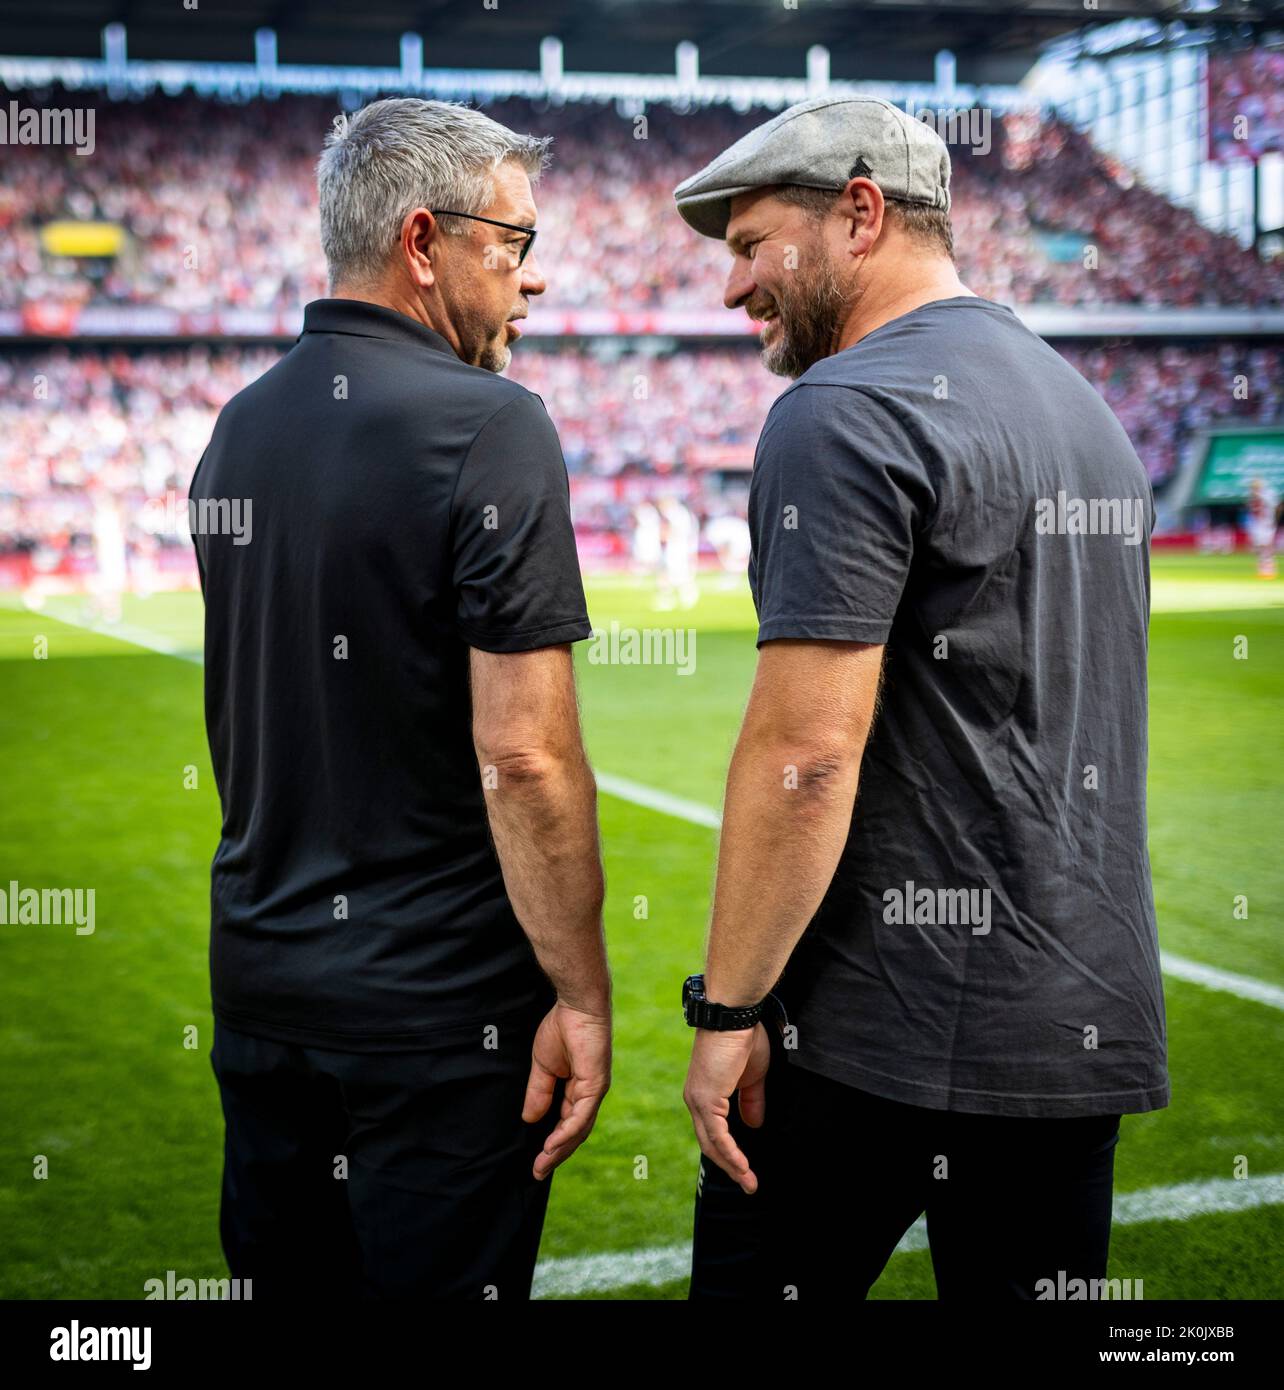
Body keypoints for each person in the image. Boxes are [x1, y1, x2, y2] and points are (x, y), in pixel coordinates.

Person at [672, 95, 1169, 1300]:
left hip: (873, 1033)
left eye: (749, 247)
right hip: (1073, 1023)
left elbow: (807, 756)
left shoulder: (844, 410)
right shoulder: (1084, 410)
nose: (734, 291)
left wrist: (727, 1007)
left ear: (858, 212)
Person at [189, 97, 611, 1300]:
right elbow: (525, 758)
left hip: (263, 994)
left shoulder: (238, 428)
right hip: (439, 1024)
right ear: (425, 242)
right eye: (513, 242)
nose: (531, 282)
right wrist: (582, 992)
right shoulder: (493, 425)